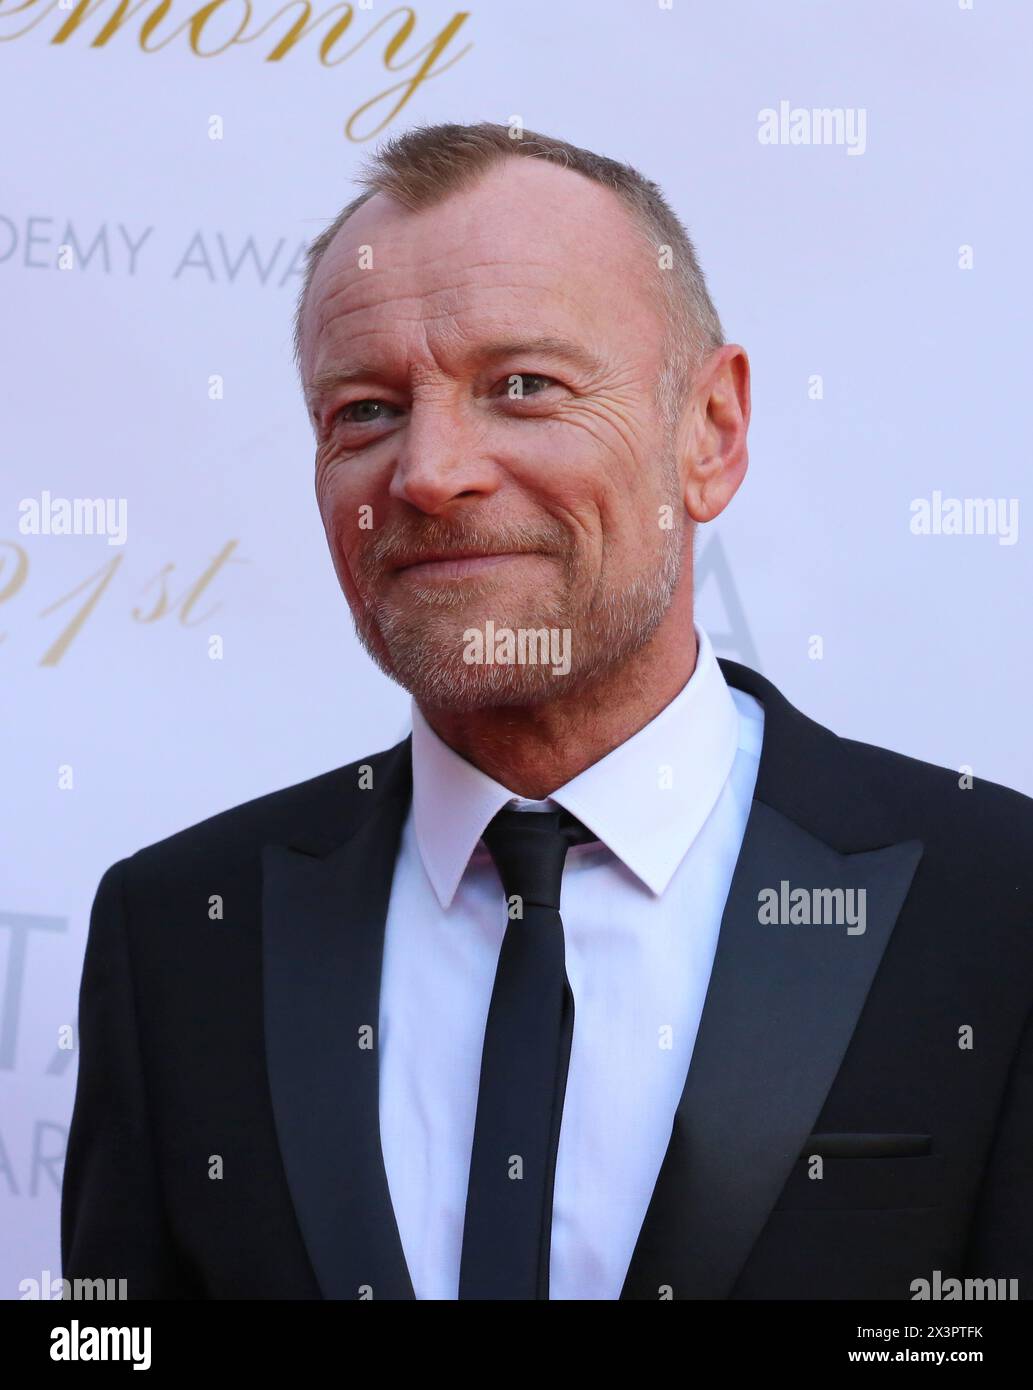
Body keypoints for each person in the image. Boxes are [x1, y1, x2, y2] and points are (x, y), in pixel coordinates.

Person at [62, 121, 1033, 1300]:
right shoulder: (177, 935)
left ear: (709, 433)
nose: (428, 470)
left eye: (523, 386)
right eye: (364, 410)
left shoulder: (997, 907)